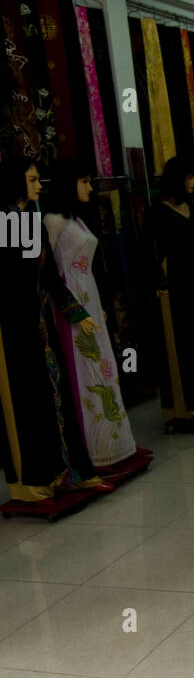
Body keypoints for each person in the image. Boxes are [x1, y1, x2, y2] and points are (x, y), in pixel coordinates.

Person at [0, 153, 108, 500]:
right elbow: (11, 277)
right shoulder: (6, 219)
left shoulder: (29, 217)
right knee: (29, 397)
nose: (37, 185)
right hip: (16, 325)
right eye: (31, 180)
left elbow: (44, 273)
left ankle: (70, 470)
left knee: (53, 393)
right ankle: (35, 477)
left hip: (39, 320)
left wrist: (75, 311)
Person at [42, 160, 138, 467]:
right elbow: (47, 272)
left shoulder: (77, 220)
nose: (90, 187)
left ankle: (114, 441)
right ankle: (93, 448)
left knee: (103, 367)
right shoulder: (52, 221)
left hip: (91, 298)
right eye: (84, 181)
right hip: (73, 303)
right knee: (84, 370)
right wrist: (73, 311)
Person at [143, 155, 194, 423]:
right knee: (184, 344)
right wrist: (159, 281)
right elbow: (148, 251)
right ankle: (187, 402)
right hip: (176, 286)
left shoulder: (192, 208)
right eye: (189, 178)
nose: (193, 183)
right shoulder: (158, 211)